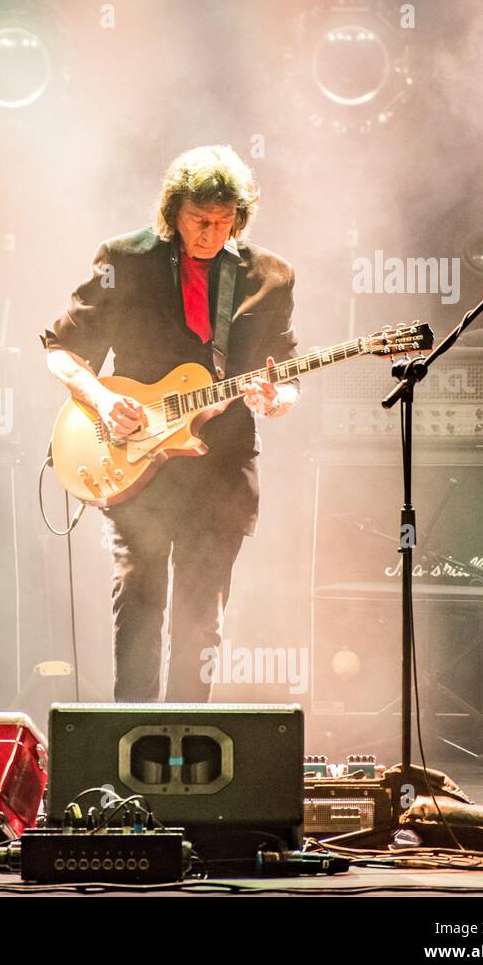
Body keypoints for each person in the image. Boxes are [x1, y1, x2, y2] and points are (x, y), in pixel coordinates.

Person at [42, 144, 299, 703]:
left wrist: (276, 400)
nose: (210, 232)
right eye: (197, 220)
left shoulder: (269, 277)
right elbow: (60, 349)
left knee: (201, 617)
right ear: (172, 211)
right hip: (138, 457)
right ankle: (131, 737)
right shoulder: (126, 259)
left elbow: (284, 371)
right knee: (139, 599)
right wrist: (105, 403)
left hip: (223, 465)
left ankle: (190, 741)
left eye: (223, 221)